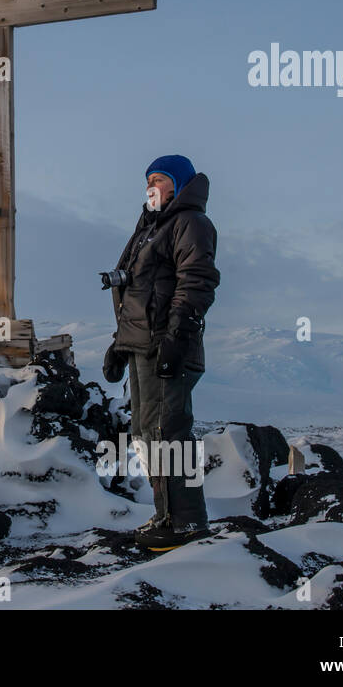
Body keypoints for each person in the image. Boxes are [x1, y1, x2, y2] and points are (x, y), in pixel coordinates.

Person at [99, 155, 220, 551]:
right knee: (146, 434)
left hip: (169, 345)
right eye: (148, 179)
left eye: (160, 179)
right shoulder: (149, 230)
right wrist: (120, 345)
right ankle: (166, 515)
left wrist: (177, 336)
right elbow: (137, 295)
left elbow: (196, 280)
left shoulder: (191, 224)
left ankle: (186, 522)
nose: (152, 185)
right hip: (143, 347)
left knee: (169, 434)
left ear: (179, 185)